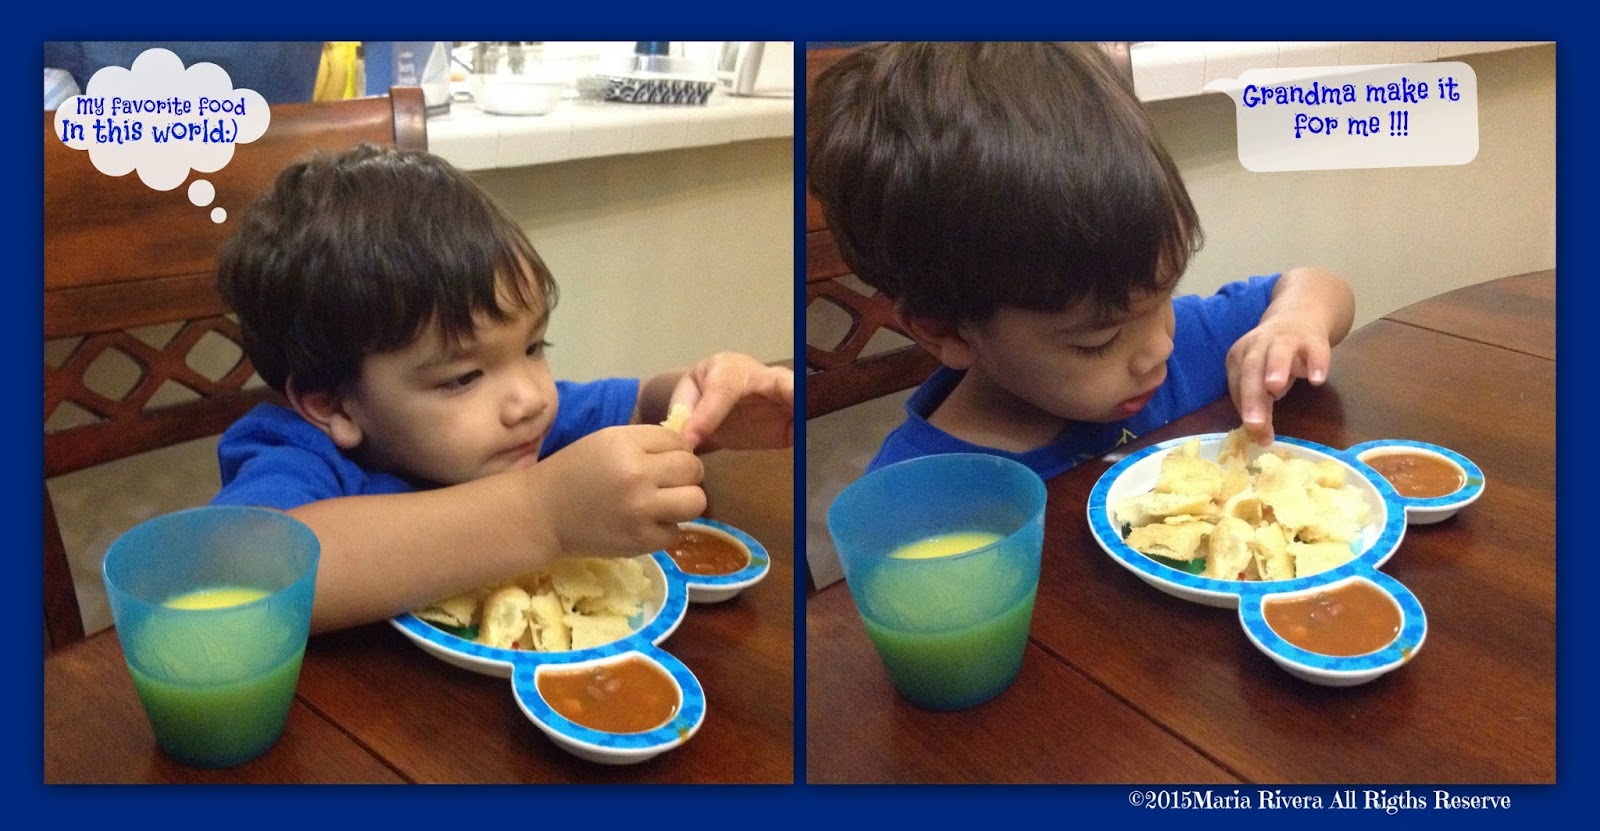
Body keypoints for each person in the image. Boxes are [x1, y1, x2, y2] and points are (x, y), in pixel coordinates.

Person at [212, 144, 793, 633]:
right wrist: (542, 513)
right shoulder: (293, 454)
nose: (532, 398)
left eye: (533, 347)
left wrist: (701, 401)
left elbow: (642, 407)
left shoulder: (522, 427)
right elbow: (250, 569)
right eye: (463, 377)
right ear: (332, 404)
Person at [806, 42, 1353, 479]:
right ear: (946, 330)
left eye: (1163, 299)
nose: (1158, 348)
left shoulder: (1184, 345)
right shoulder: (920, 493)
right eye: (1098, 342)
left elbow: (1317, 285)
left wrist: (1293, 323)